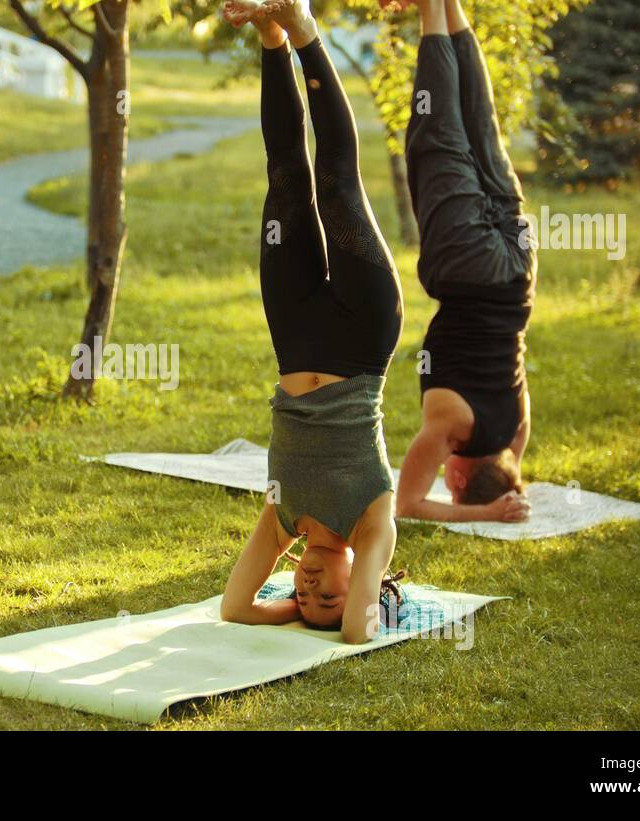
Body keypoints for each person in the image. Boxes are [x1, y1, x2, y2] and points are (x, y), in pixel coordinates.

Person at [217, 0, 405, 644]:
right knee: (337, 181)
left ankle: (270, 32)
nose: (311, 589)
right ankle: (305, 31)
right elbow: (356, 633)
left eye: (304, 599)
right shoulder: (373, 521)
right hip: (364, 333)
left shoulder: (282, 519)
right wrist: (337, 618)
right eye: (330, 597)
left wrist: (288, 615)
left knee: (285, 181)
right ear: (366, 585)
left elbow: (235, 609)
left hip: (293, 333)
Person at [394, 0, 537, 524]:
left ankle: (448, 5)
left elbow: (509, 464)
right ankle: (431, 10)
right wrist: (486, 513)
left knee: (481, 126)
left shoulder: (514, 429)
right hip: (466, 265)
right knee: (439, 137)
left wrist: (507, 488)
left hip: (519, 269)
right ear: (457, 478)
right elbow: (407, 504)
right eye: (453, 484)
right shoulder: (450, 426)